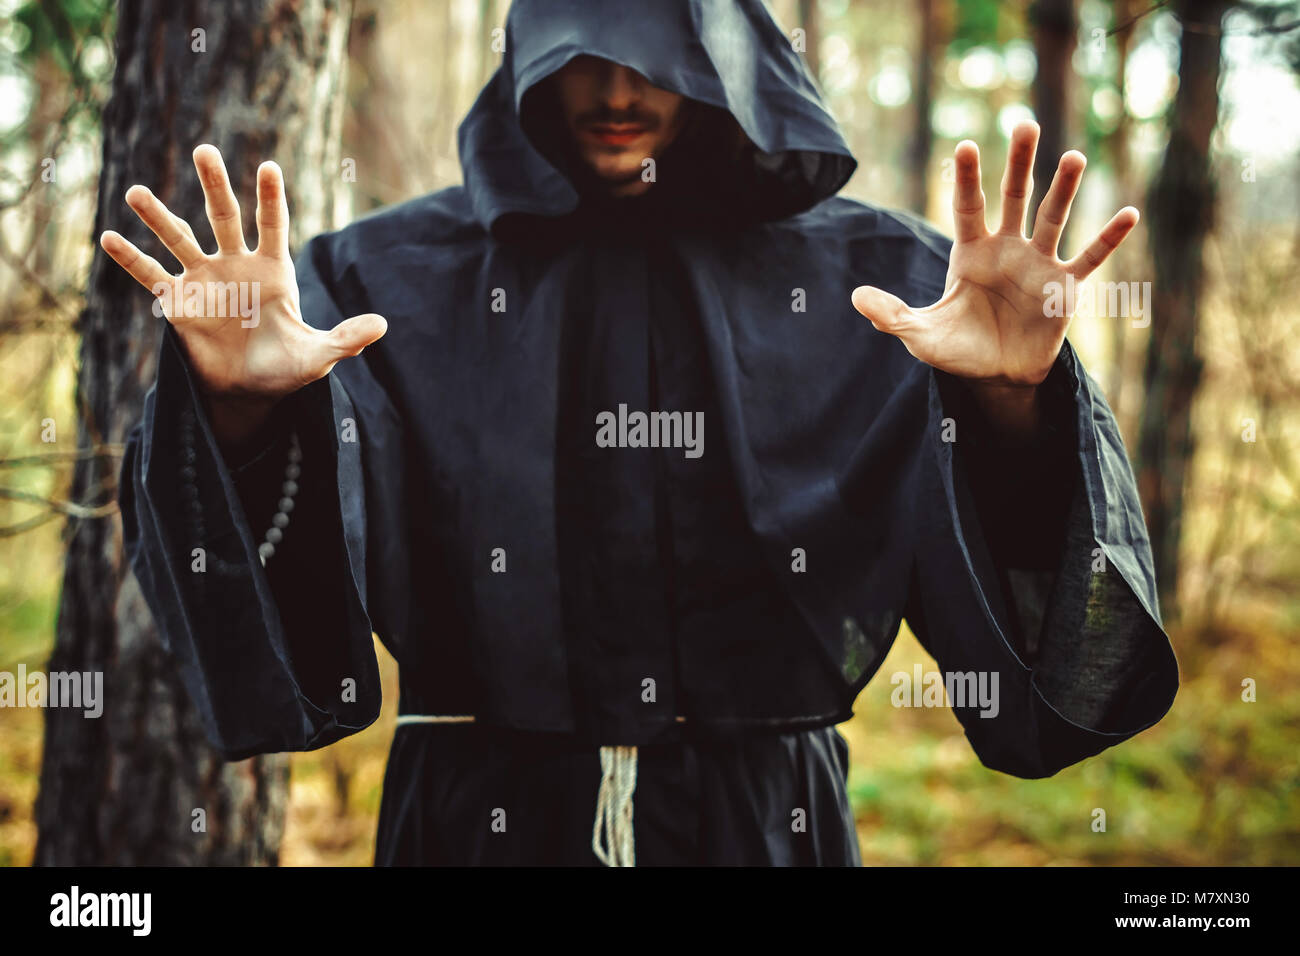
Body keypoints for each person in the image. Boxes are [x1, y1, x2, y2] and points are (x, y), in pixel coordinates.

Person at [103, 0, 1178, 866]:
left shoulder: (884, 285)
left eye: (655, 50)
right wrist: (241, 411)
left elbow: (1030, 618)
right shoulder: (378, 282)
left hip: (762, 828)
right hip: (478, 827)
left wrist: (1013, 405)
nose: (616, 92)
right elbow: (271, 579)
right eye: (584, 50)